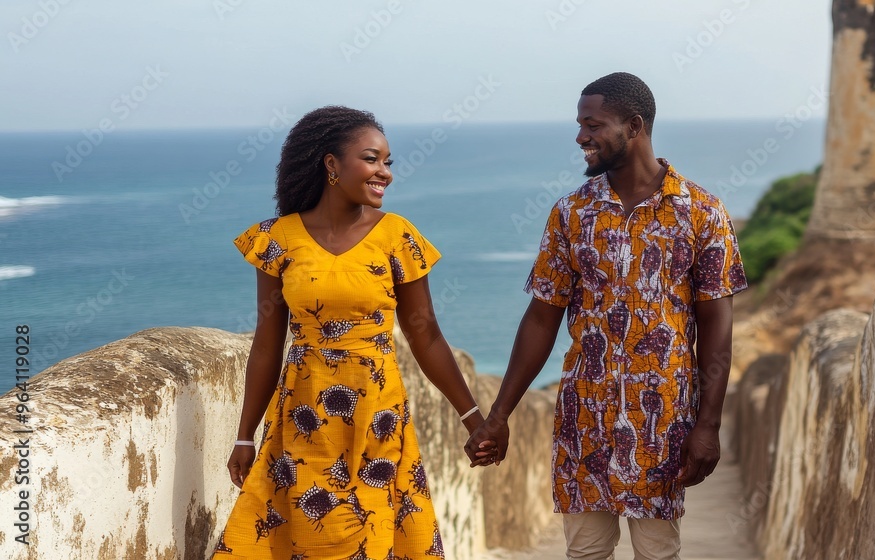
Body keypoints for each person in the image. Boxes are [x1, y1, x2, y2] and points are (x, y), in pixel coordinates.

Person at [466, 73, 748, 559]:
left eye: (592, 125)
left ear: (633, 126)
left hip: (662, 424)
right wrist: (498, 415)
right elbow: (541, 318)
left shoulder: (701, 212)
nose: (581, 137)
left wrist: (708, 424)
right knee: (586, 552)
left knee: (658, 552)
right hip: (584, 419)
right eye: (580, 125)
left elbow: (716, 328)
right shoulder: (571, 214)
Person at [214, 106, 492, 559]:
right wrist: (245, 436)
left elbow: (427, 336)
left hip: (377, 418)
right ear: (331, 165)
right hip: (302, 419)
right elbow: (267, 344)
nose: (385, 173)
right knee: (302, 536)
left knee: (371, 533)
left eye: (388, 162)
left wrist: (474, 417)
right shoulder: (278, 239)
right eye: (372, 159)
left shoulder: (398, 237)